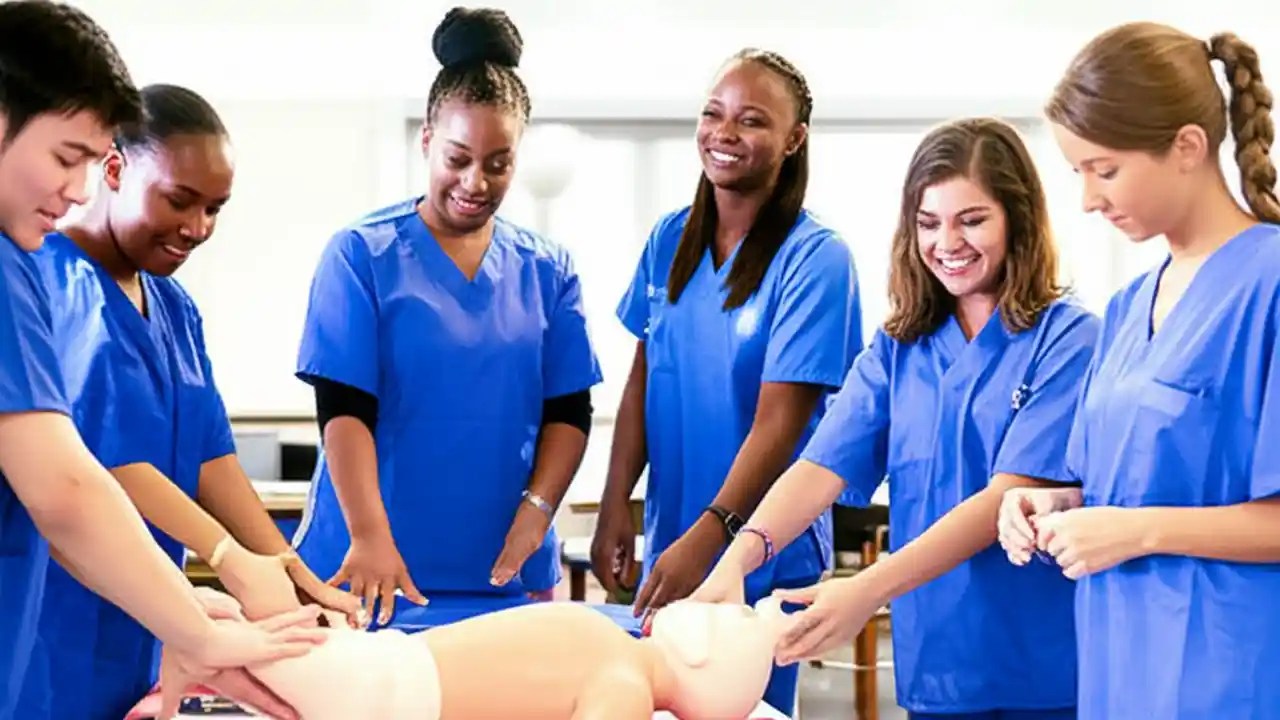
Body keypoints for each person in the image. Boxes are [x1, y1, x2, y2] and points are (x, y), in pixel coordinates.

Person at [695, 118, 1100, 720]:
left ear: (1018, 217)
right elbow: (819, 469)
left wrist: (864, 590)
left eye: (972, 219)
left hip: (1041, 669)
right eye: (928, 222)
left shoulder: (1069, 341)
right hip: (934, 666)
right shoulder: (899, 348)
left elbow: (1004, 500)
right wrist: (736, 561)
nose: (947, 242)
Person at [0, 3, 328, 716]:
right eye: (66, 159)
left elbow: (210, 455)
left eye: (215, 209)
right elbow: (77, 480)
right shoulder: (39, 274)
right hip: (55, 633)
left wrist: (278, 564)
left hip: (127, 616)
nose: (197, 227)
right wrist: (218, 580)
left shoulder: (167, 307)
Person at [998, 22, 1280, 720]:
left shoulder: (1269, 284)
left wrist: (1141, 531)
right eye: (1079, 174)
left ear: (1187, 147)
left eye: (1106, 169)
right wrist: (1058, 506)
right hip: (1118, 664)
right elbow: (1121, 484)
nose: (1089, 199)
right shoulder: (1127, 308)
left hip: (1229, 674)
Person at [293, 6, 602, 624]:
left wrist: (537, 512)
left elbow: (568, 411)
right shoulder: (362, 254)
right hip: (370, 567)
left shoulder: (548, 268)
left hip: (501, 569)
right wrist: (370, 535)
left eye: (498, 163)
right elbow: (344, 409)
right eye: (458, 157)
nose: (475, 181)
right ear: (427, 140)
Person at [590, 47, 860, 715]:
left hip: (759, 555)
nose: (725, 133)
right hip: (673, 539)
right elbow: (643, 379)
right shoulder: (669, 239)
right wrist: (615, 500)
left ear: (795, 139)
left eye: (752, 121)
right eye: (713, 114)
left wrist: (712, 544)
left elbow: (783, 422)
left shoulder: (815, 258)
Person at [136, 590, 796, 720]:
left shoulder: (610, 650)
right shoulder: (621, 676)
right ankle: (203, 633)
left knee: (277, 668)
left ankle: (207, 656)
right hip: (387, 694)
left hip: (387, 677)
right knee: (271, 659)